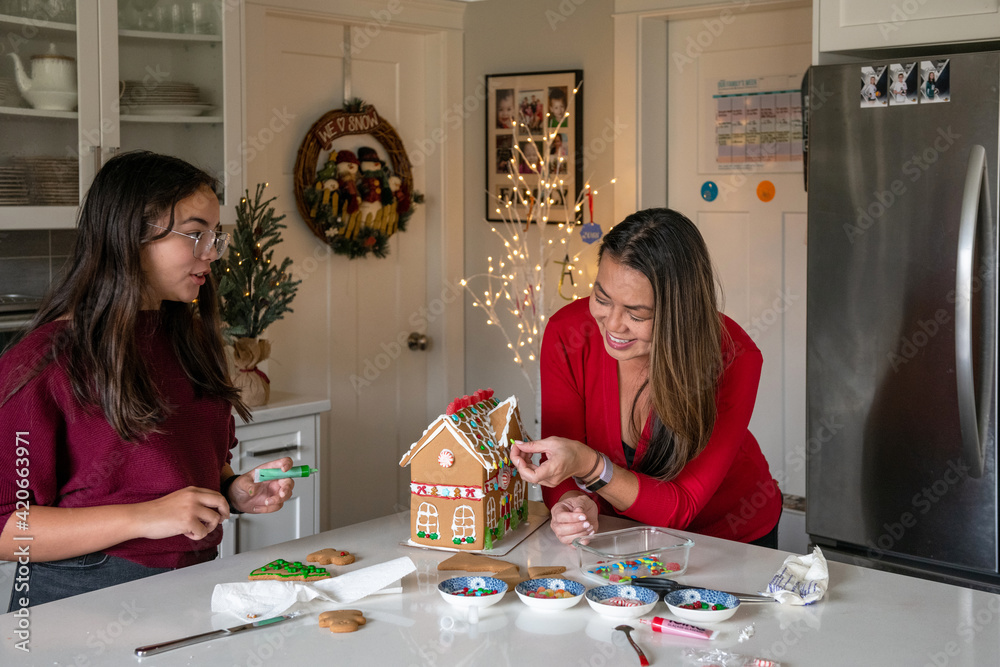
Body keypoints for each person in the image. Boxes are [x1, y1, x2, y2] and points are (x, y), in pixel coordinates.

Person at [0, 151, 296, 611]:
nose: (212, 253)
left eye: (215, 236)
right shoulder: (45, 362)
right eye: (196, 235)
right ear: (131, 236)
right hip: (83, 600)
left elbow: (183, 467)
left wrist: (233, 491)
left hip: (194, 583)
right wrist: (144, 518)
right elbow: (6, 528)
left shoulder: (186, 340)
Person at [511, 208, 782, 548]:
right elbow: (562, 458)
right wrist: (574, 504)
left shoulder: (733, 356)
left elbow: (680, 507)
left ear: (679, 313)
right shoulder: (567, 334)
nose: (612, 325)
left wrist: (589, 466)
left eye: (637, 315)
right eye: (602, 298)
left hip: (727, 538)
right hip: (618, 533)